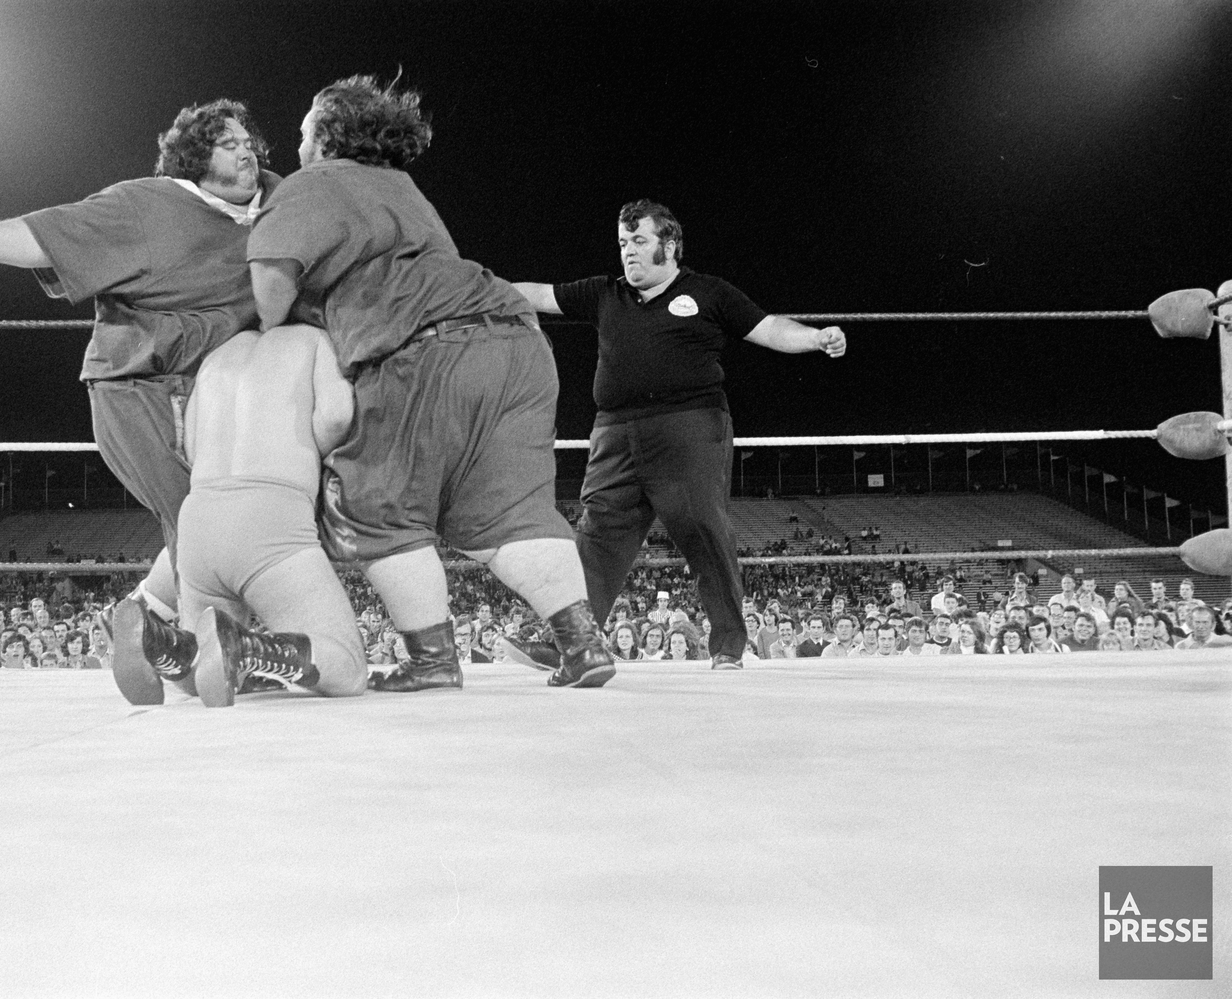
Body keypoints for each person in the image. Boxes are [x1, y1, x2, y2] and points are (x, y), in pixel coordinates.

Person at [246, 74, 614, 692]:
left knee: (377, 506)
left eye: (305, 127)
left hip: (424, 348)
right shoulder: (401, 185)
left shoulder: (311, 182)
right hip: (516, 343)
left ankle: (433, 659)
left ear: (329, 134)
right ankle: (582, 644)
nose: (297, 139)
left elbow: (270, 299)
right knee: (512, 512)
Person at [0, 97, 281, 644]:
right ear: (192, 158)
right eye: (227, 145)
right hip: (143, 387)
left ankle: (140, 615)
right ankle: (214, 652)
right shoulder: (144, 205)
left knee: (230, 511)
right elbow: (52, 235)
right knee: (204, 520)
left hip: (220, 390)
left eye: (247, 141)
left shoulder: (279, 202)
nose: (246, 152)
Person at [511, 200, 845, 671]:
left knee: (703, 528)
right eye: (623, 243)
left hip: (689, 425)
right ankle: (573, 644)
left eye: (639, 241)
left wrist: (816, 338)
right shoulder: (604, 292)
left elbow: (768, 328)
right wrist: (471, 289)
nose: (628, 251)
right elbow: (539, 295)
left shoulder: (708, 292)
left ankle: (728, 646)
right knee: (596, 535)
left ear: (668, 246)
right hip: (614, 432)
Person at [112, 325, 369, 706]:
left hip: (199, 517)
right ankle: (248, 647)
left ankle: (161, 640)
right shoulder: (313, 340)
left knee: (206, 668)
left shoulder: (216, 354)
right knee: (348, 669)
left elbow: (190, 446)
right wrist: (310, 450)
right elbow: (335, 417)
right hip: (270, 514)